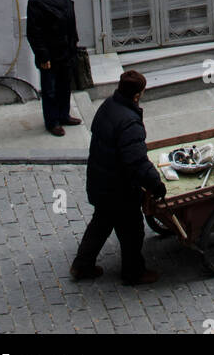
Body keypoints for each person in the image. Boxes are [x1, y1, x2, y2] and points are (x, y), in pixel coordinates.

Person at [70, 70, 166, 286]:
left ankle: (82, 265)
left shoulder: (108, 106)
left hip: (100, 181)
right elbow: (137, 161)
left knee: (100, 224)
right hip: (119, 189)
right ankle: (134, 272)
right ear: (136, 95)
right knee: (132, 230)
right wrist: (156, 184)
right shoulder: (130, 122)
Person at [26, 0, 81, 137]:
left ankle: (64, 115)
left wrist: (74, 42)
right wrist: (43, 56)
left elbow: (69, 15)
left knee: (65, 85)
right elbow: (34, 32)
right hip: (50, 54)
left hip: (66, 49)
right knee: (50, 90)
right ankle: (52, 122)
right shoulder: (37, 0)